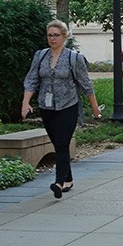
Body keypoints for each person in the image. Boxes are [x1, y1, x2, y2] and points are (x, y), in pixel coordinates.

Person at [21, 20, 102, 199]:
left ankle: (58, 182)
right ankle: (69, 179)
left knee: (62, 143)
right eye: (49, 35)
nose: (52, 38)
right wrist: (25, 103)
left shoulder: (74, 58)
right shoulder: (40, 56)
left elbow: (86, 85)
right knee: (58, 143)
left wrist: (95, 109)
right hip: (46, 106)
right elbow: (31, 79)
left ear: (64, 36)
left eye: (56, 35)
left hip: (68, 105)